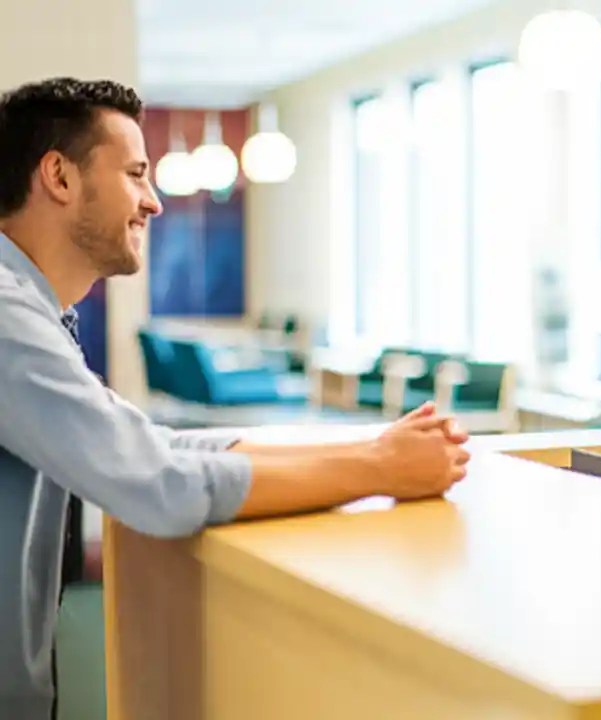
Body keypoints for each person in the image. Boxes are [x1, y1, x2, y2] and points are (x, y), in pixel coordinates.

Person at [0, 77, 471, 718]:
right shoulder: (6, 313)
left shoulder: (31, 309)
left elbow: (149, 444)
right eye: (137, 173)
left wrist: (370, 447)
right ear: (58, 175)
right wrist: (380, 469)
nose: (154, 202)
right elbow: (159, 484)